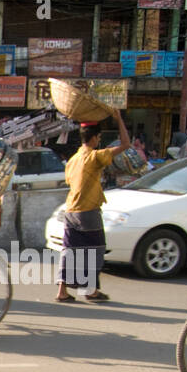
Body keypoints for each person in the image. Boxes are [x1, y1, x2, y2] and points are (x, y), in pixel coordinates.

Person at [56, 114, 130, 303]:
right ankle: (90, 291)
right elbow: (126, 144)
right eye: (98, 137)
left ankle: (62, 291)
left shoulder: (73, 159)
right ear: (95, 138)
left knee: (69, 250)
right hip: (88, 211)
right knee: (94, 250)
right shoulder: (94, 156)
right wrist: (119, 119)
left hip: (70, 209)